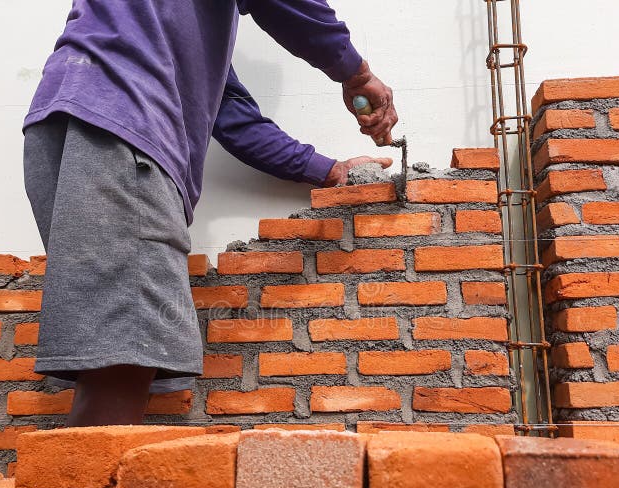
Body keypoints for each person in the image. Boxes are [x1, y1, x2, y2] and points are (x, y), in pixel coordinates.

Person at [22, 0, 399, 427]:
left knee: (116, 348)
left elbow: (233, 116)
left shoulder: (161, 30)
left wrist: (329, 171)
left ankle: (78, 481)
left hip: (73, 123)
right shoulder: (148, 47)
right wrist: (357, 73)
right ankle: (80, 486)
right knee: (125, 352)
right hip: (121, 130)